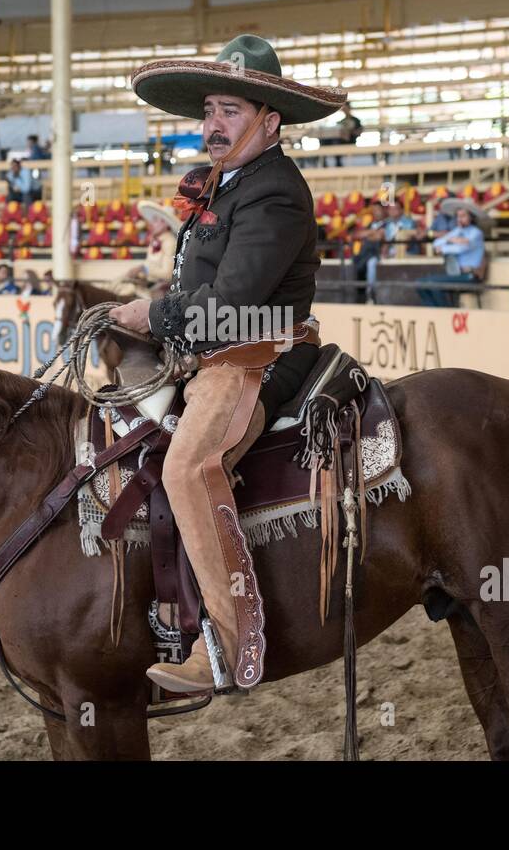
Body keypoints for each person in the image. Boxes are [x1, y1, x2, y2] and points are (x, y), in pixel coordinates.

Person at [107, 34, 346, 695]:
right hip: (218, 353)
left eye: (230, 111)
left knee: (189, 464)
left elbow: (232, 305)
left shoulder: (275, 193)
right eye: (209, 109)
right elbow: (198, 285)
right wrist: (160, 307)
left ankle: (228, 643)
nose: (213, 124)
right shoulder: (226, 182)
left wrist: (151, 317)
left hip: (260, 357)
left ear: (270, 122)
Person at [417, 199, 485, 307]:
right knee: (420, 283)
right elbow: (437, 243)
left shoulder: (476, 233)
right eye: (458, 216)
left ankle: (445, 312)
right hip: (456, 274)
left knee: (433, 283)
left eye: (463, 216)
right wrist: (453, 240)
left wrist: (446, 246)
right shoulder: (457, 231)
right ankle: (435, 311)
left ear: (471, 217)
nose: (459, 219)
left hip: (470, 276)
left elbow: (461, 248)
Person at [353, 201, 416, 304]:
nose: (393, 211)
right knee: (366, 261)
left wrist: (374, 236)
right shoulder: (385, 223)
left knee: (372, 262)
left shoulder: (402, 222)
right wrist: (372, 234)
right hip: (381, 253)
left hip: (403, 253)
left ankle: (370, 293)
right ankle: (370, 293)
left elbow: (382, 237)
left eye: (395, 208)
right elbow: (357, 235)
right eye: (391, 209)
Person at [113, 200, 178, 296]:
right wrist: (140, 273)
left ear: (165, 223)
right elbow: (150, 265)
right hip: (151, 284)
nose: (151, 224)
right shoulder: (156, 241)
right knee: (119, 284)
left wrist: (144, 269)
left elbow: (168, 274)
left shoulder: (170, 242)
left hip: (161, 289)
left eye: (155, 220)